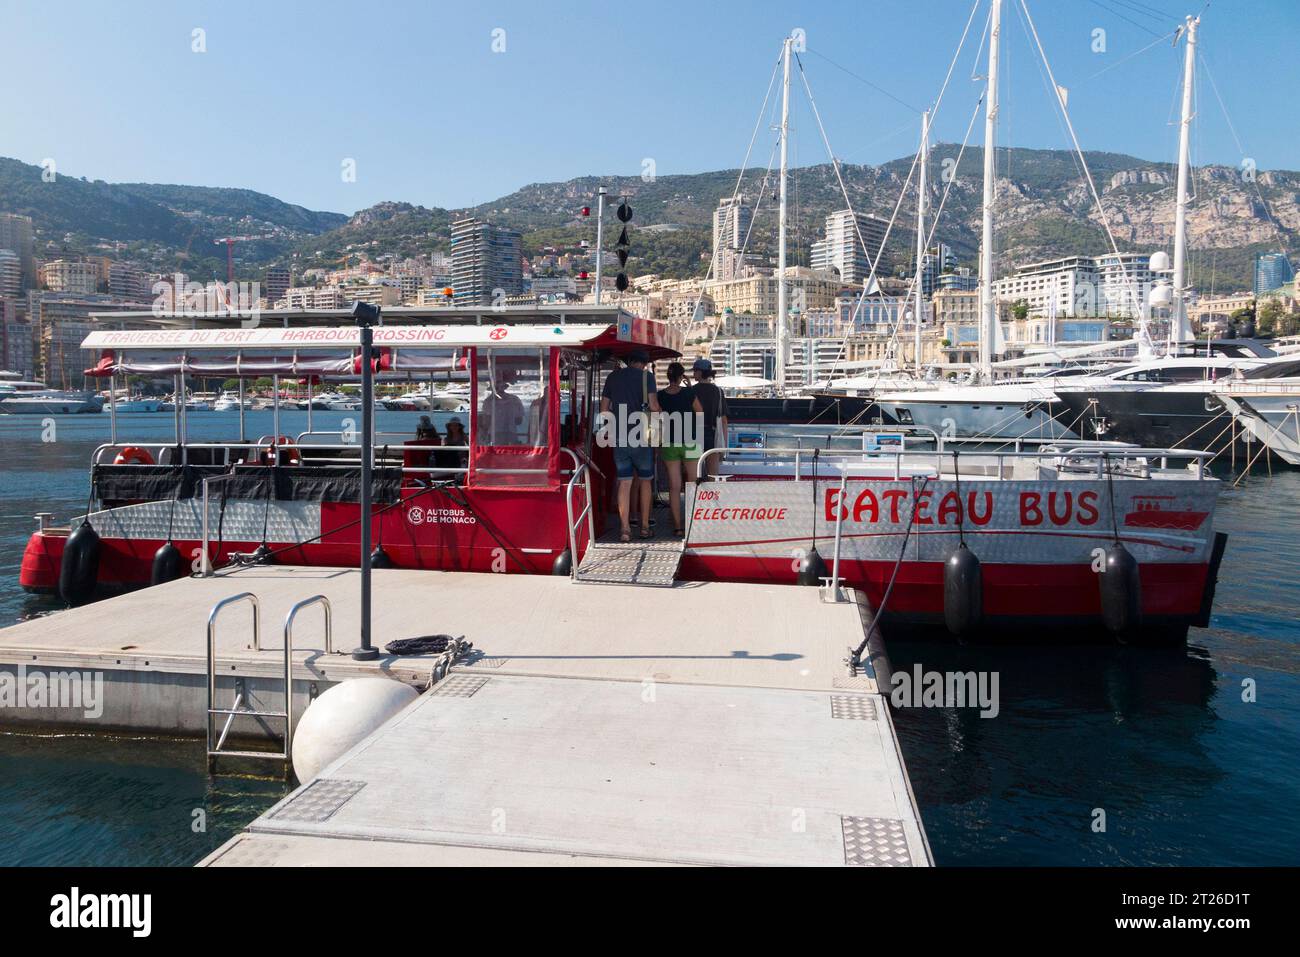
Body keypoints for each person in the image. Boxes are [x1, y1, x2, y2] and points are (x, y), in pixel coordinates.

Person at [600, 349, 661, 541]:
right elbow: (653, 406)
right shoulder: (647, 377)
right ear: (643, 363)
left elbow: (603, 409)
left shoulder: (613, 377)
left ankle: (625, 530)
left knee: (624, 483)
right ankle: (644, 527)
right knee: (645, 481)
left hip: (619, 438)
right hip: (641, 437)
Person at [656, 362, 704, 537]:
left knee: (674, 487)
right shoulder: (689, 393)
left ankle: (677, 527)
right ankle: (692, 523)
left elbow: (656, 414)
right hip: (690, 441)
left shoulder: (660, 395)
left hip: (669, 442)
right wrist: (689, 387)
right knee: (692, 484)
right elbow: (700, 411)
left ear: (668, 377)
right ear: (681, 376)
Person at [691, 357, 729, 479]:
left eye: (695, 370)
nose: (693, 373)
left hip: (693, 433)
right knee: (713, 475)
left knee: (694, 475)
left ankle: (695, 498)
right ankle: (711, 498)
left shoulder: (691, 391)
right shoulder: (718, 391)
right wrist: (724, 445)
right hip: (712, 435)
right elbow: (723, 419)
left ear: (700, 372)